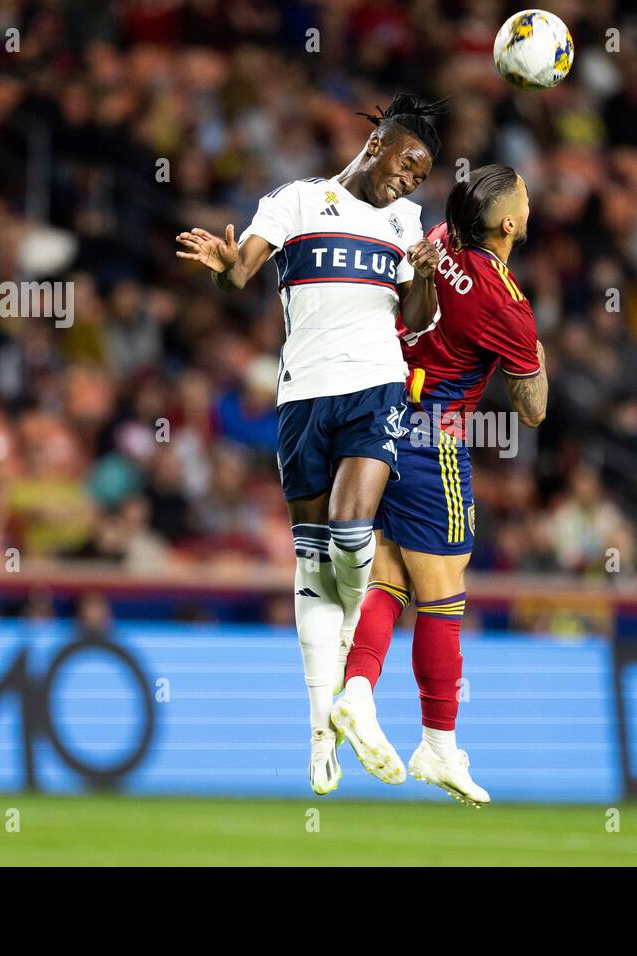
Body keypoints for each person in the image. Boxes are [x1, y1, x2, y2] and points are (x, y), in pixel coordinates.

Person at [175, 93, 446, 796]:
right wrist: (224, 262)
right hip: (302, 397)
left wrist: (420, 272)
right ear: (379, 141)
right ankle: (324, 730)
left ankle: (358, 689)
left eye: (422, 175)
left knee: (354, 534)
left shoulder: (406, 221)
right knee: (312, 565)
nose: (410, 180)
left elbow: (414, 322)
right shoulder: (295, 201)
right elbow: (241, 275)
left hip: (378, 386)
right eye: (407, 161)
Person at [329, 165, 548, 807]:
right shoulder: (507, 303)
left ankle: (357, 694)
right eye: (525, 200)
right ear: (509, 223)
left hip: (385, 416)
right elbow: (532, 409)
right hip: (434, 438)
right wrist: (531, 346)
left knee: (391, 575)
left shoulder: (441, 238)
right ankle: (439, 744)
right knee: (445, 592)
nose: (530, 204)